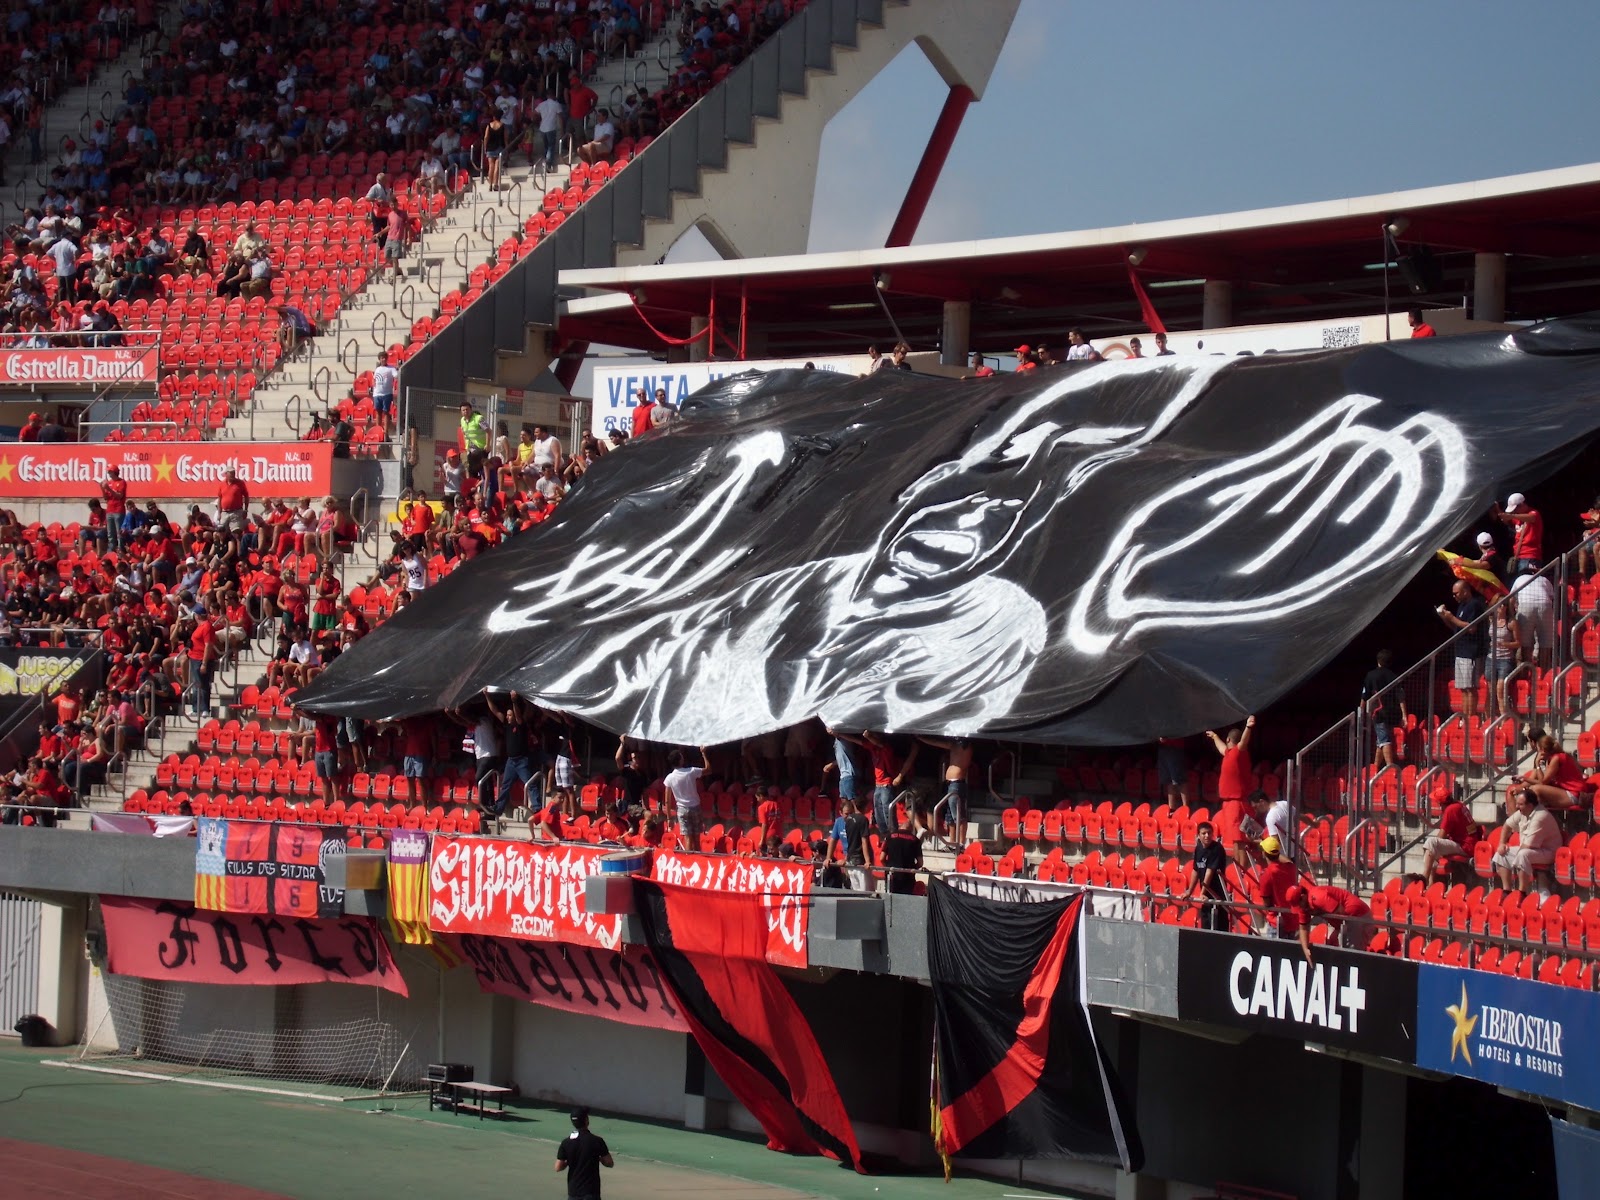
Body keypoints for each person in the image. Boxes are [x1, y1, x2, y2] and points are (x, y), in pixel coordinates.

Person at [1436, 580, 1487, 721]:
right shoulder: (1462, 606)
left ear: (1465, 591)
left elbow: (1471, 628)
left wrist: (1452, 617)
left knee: (1470, 688)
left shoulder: (1474, 605)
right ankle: (1465, 717)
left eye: (1456, 593)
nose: (1454, 597)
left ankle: (1471, 717)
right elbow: (1457, 628)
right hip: (1460, 651)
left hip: (1470, 652)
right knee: (1463, 688)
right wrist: (1445, 617)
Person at [1205, 716, 1255, 861]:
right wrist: (1214, 737)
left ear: (1229, 740)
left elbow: (1244, 742)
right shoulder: (1228, 753)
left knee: (1239, 841)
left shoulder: (1239, 753)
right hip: (1231, 803)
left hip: (1236, 803)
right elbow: (1221, 747)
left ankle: (1242, 873)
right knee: (1236, 840)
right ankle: (1240, 871)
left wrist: (1248, 727)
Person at [1285, 884, 1375, 961]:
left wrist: (1320, 912)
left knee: (1351, 952)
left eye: (1298, 904)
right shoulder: (1303, 905)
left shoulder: (1318, 897)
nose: (1299, 907)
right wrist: (1305, 949)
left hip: (1357, 916)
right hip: (1344, 921)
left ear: (1302, 897)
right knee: (1335, 944)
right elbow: (1303, 928)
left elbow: (1341, 912)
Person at [1507, 734, 1587, 813]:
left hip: (1574, 794)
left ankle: (1533, 820)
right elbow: (1543, 780)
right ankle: (1516, 822)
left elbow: (1543, 782)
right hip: (1563, 792)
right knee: (1516, 792)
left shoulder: (1557, 758)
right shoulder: (1551, 759)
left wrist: (1536, 765)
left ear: (1543, 750)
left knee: (1535, 789)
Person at [917, 734, 971, 847]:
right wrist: (923, 738)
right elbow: (938, 743)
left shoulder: (966, 746)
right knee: (949, 815)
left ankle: (961, 841)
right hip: (949, 783)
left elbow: (962, 744)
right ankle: (951, 841)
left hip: (957, 782)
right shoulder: (953, 745)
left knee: (958, 814)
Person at [1360, 649, 1407, 769]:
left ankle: (1390, 768)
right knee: (1380, 740)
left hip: (1378, 713)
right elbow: (1401, 697)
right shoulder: (1394, 676)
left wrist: (1361, 714)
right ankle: (1375, 767)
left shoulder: (1371, 675)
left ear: (1378, 661)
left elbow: (1364, 697)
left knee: (1384, 739)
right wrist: (1404, 715)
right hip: (1392, 713)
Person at [1509, 792, 1561, 896]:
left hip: (1549, 853)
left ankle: (1522, 892)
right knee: (1502, 853)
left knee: (1522, 854)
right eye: (1517, 803)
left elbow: (1528, 845)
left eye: (1520, 804)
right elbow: (1507, 825)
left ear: (1530, 805)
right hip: (1534, 850)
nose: (1517, 807)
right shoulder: (1523, 812)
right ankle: (1506, 890)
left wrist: (1514, 859)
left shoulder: (1540, 816)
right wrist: (1502, 843)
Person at [1420, 786, 1477, 880]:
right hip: (1468, 844)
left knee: (1431, 843)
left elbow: (1441, 836)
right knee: (1432, 848)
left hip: (1465, 846)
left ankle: (1424, 878)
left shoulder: (1450, 810)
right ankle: (1429, 884)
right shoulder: (1458, 804)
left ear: (1441, 802)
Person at [555, 1107, 613, 1199]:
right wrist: (599, 1158)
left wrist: (569, 1161)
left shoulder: (566, 1142)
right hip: (591, 1192)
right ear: (586, 1120)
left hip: (574, 1192)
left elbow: (558, 1167)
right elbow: (609, 1163)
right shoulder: (597, 1141)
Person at [1186, 820, 1230, 932]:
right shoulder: (1198, 848)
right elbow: (1196, 870)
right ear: (1198, 835)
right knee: (1205, 927)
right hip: (1206, 897)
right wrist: (1189, 891)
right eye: (1204, 833)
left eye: (1209, 833)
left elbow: (1210, 872)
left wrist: (1202, 893)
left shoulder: (1217, 848)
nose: (1207, 836)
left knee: (1218, 928)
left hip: (1217, 896)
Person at [664, 746, 710, 844]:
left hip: (682, 809)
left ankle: (688, 857)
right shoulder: (691, 771)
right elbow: (708, 770)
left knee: (688, 838)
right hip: (695, 807)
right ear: (680, 760)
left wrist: (669, 818)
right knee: (697, 838)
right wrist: (704, 754)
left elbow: (667, 800)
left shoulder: (670, 778)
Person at [823, 797, 870, 889]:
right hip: (849, 859)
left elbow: (858, 843)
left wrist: (846, 859)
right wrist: (828, 858)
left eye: (851, 813)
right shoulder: (838, 822)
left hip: (856, 858)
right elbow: (833, 840)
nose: (849, 816)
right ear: (840, 813)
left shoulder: (856, 821)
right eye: (846, 814)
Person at [1491, 492, 1543, 576]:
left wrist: (1513, 516)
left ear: (1522, 504)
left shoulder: (1533, 513)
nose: (1514, 511)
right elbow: (1506, 520)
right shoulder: (1518, 518)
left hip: (1530, 555)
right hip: (1518, 555)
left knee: (1527, 579)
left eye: (1515, 509)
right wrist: (1498, 510)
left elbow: (1532, 518)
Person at [883, 810, 923, 894]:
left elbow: (881, 858)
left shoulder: (890, 837)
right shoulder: (915, 840)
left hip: (892, 874)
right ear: (912, 829)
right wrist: (913, 868)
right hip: (908, 875)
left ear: (900, 826)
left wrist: (887, 866)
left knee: (890, 899)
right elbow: (920, 863)